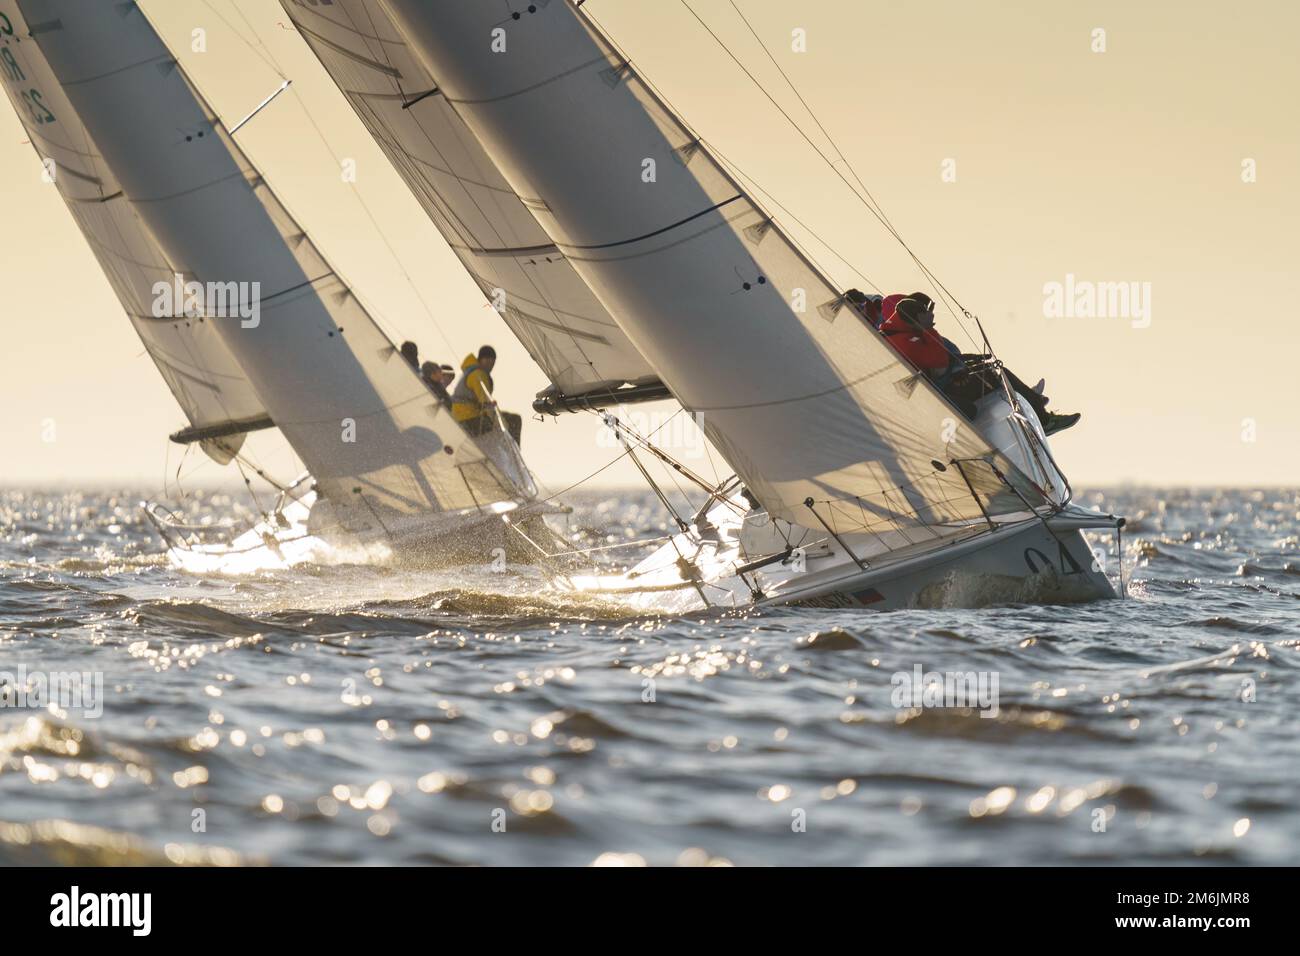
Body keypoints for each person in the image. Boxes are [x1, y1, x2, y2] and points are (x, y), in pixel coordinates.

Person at [880, 295, 1080, 434]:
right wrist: (928, 329)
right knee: (996, 375)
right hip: (936, 395)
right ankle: (1043, 420)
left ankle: (1034, 404)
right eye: (926, 315)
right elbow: (938, 361)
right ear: (915, 319)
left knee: (993, 371)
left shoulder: (899, 334)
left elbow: (940, 359)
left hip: (938, 388)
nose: (931, 318)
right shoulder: (904, 341)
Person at [451, 345, 523, 446]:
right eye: (488, 361)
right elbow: (486, 402)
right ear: (481, 359)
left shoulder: (470, 372)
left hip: (459, 419)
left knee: (503, 420)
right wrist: (503, 424)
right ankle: (513, 449)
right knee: (514, 420)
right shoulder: (478, 375)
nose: (490, 365)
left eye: (492, 363)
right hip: (468, 421)